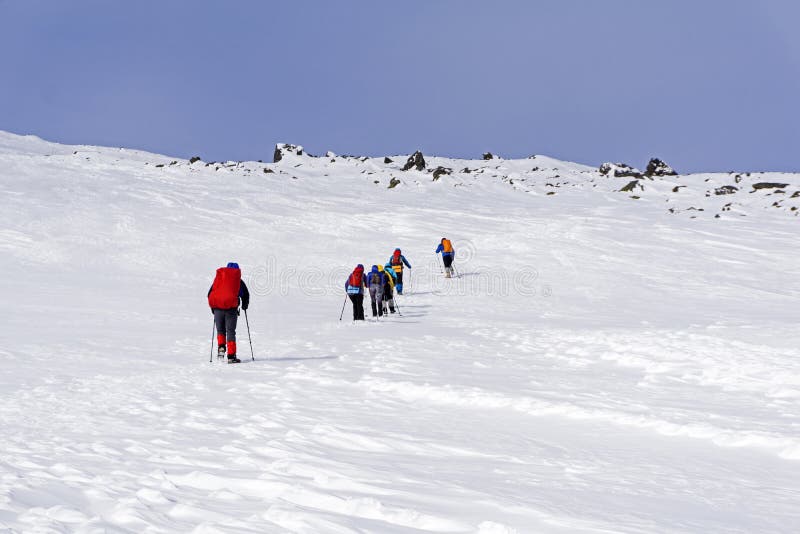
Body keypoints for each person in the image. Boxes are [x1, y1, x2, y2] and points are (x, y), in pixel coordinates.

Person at [208, 262, 250, 364]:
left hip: (218, 309)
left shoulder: (219, 280)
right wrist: (244, 306)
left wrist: (213, 308)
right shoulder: (238, 281)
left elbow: (210, 293)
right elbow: (246, 295)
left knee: (221, 330)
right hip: (231, 309)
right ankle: (231, 356)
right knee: (230, 331)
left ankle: (221, 350)